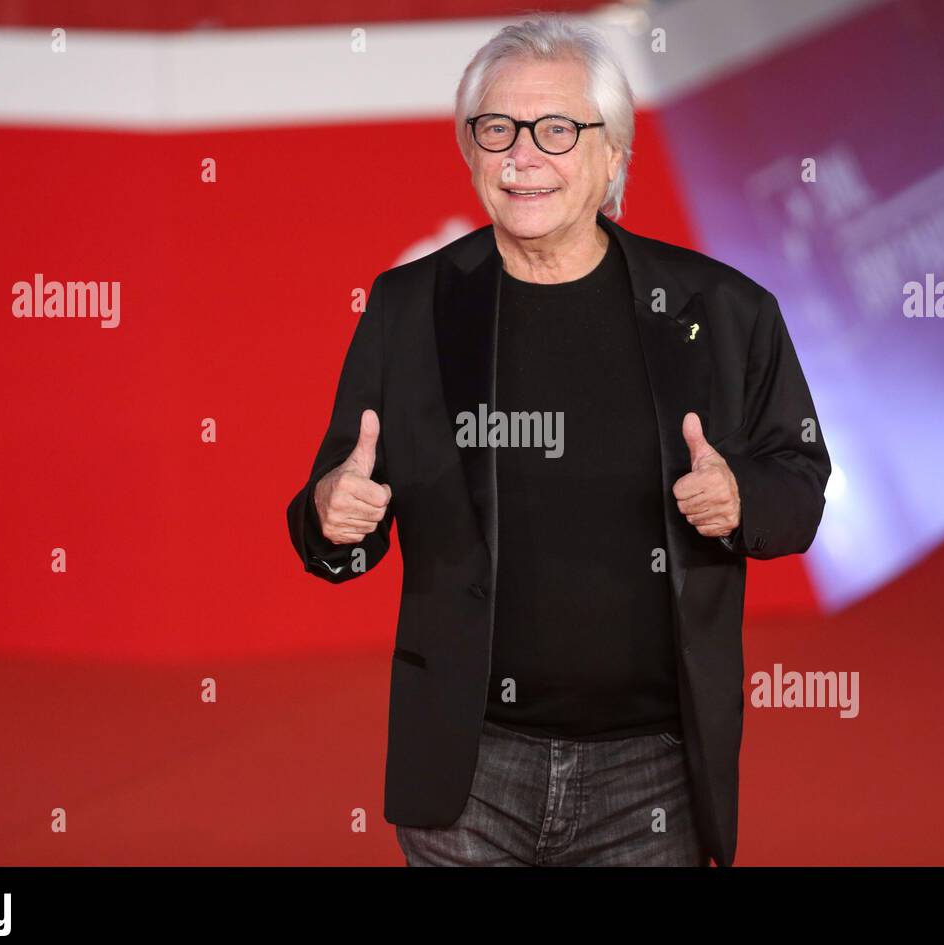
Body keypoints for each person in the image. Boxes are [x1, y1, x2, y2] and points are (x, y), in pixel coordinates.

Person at [286, 14, 830, 866]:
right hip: (467, 773)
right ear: (470, 152)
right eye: (496, 129)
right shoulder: (409, 309)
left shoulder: (721, 310)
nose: (522, 156)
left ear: (613, 156)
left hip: (652, 778)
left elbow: (798, 484)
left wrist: (740, 502)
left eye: (557, 130)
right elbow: (331, 509)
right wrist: (332, 516)